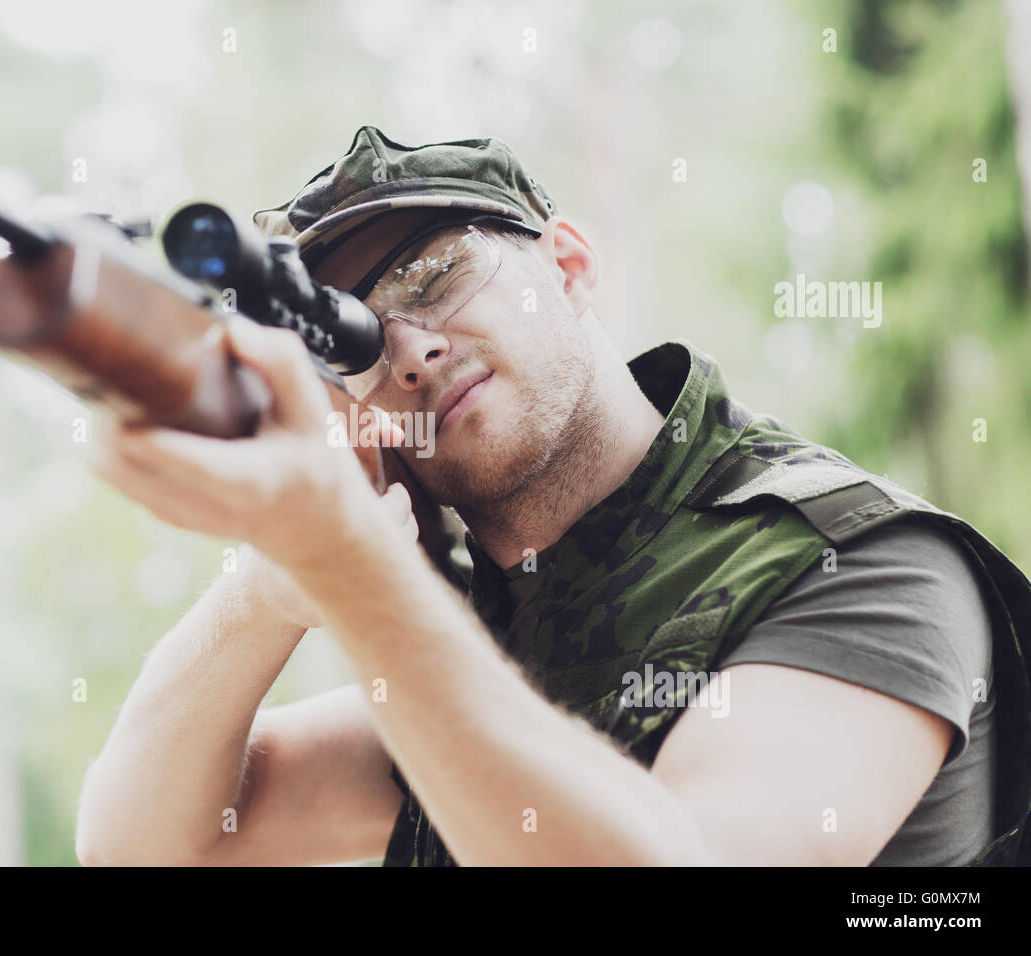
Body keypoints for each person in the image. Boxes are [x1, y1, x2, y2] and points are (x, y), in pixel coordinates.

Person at [75, 126, 1031, 866]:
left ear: (568, 266)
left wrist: (350, 570)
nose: (409, 349)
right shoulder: (487, 635)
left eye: (437, 275)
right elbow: (150, 842)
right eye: (353, 341)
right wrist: (272, 585)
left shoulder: (857, 558)